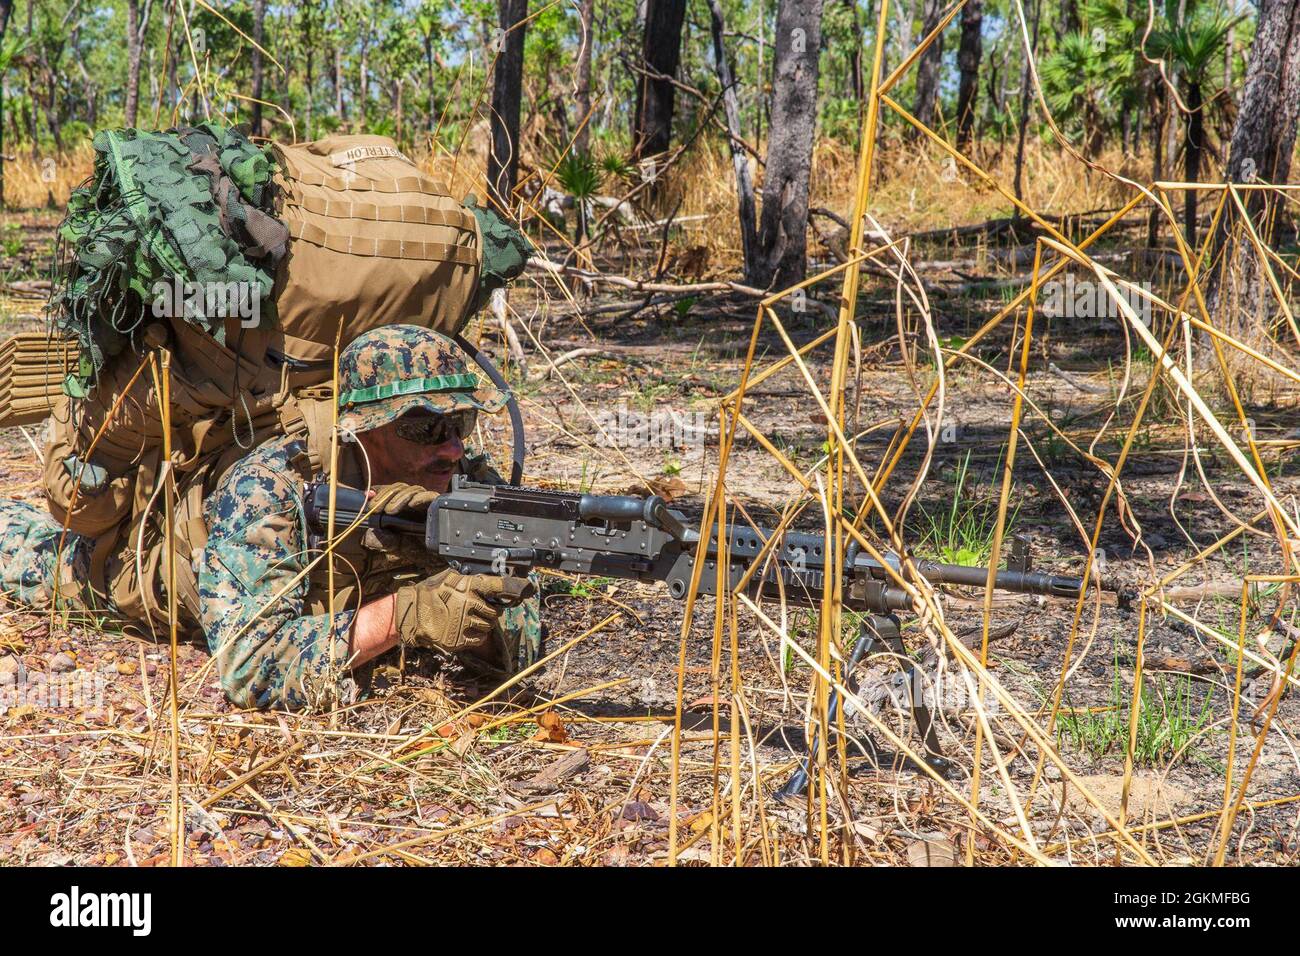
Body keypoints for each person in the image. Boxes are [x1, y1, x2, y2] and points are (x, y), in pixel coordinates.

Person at [0, 324, 540, 711]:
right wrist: (404, 616)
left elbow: (521, 647)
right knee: (24, 550)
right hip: (154, 572)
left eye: (460, 423)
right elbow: (248, 666)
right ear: (365, 429)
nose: (450, 449)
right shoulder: (274, 484)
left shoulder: (467, 480)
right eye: (424, 429)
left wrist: (487, 619)